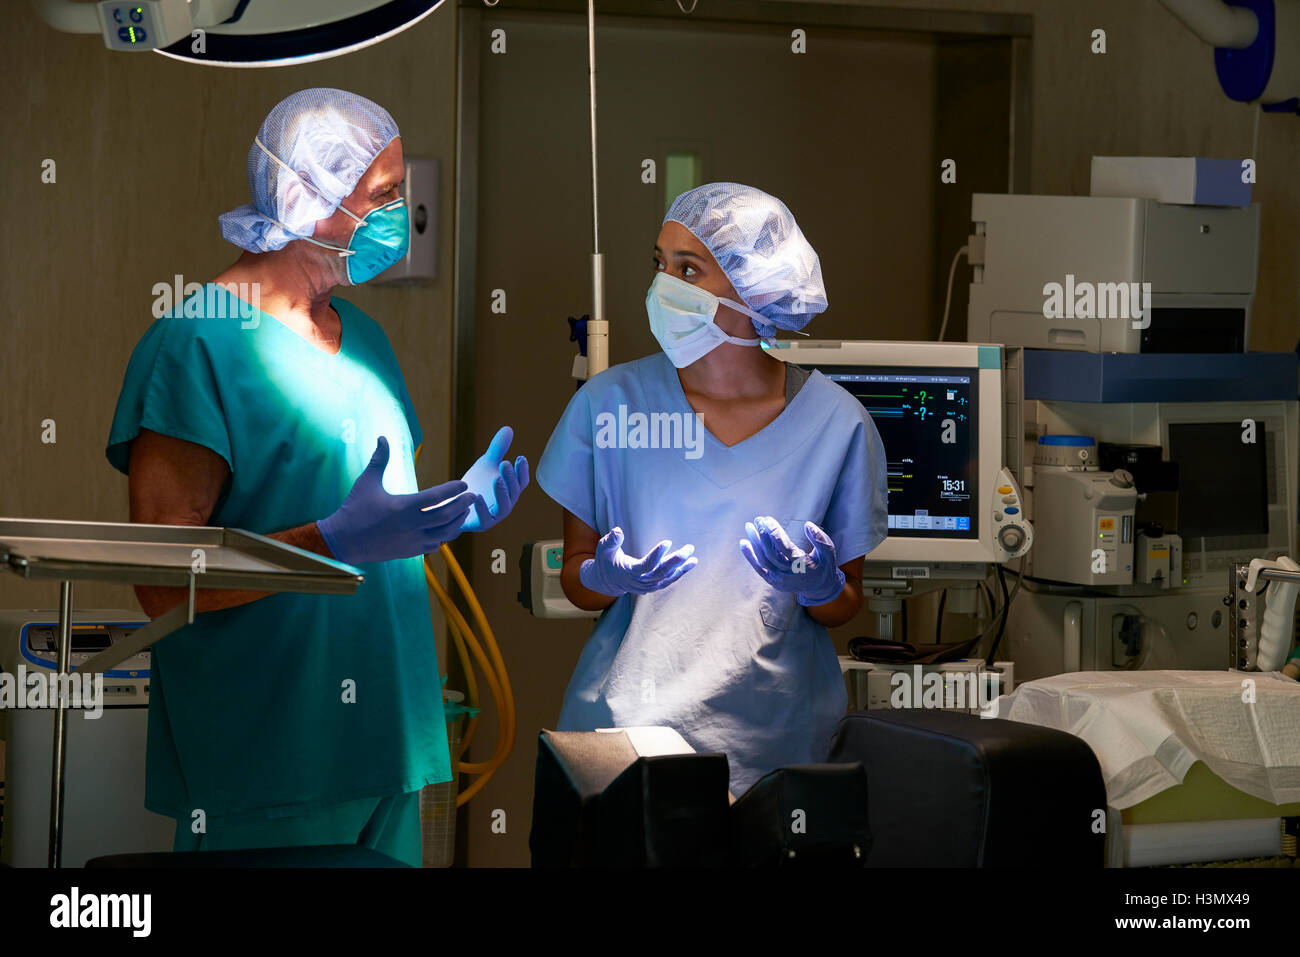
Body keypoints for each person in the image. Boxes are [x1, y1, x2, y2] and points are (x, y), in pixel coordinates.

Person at [105, 88, 528, 866]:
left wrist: (446, 514)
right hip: (269, 754)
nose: (402, 212)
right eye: (385, 195)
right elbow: (164, 581)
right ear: (304, 197)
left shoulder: (365, 339)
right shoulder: (196, 343)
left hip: (390, 743)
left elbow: (380, 516)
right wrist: (327, 542)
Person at [537, 182, 887, 796]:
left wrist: (821, 583)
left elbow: (844, 603)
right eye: (660, 263)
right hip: (627, 737)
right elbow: (576, 579)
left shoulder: (837, 423)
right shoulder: (611, 406)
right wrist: (604, 577)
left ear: (757, 289)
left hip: (775, 743)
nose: (662, 286)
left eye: (688, 268)